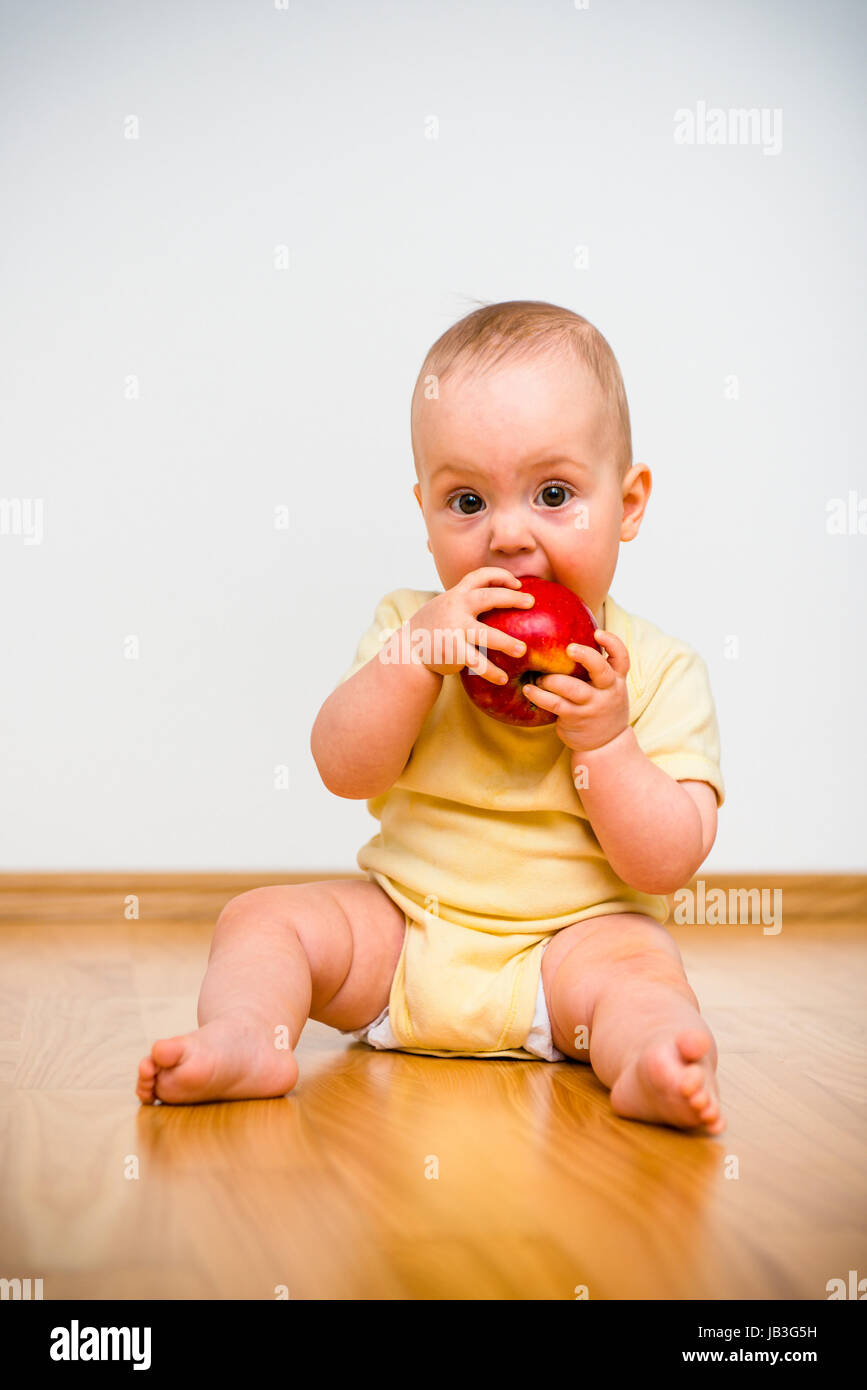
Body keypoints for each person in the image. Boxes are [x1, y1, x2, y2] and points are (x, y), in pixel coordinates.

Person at [137, 300, 725, 1134]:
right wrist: (411, 660)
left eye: (553, 493)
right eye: (466, 501)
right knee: (261, 918)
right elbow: (344, 770)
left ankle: (649, 1061)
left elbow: (667, 861)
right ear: (423, 512)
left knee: (643, 977)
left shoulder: (658, 669)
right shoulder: (411, 631)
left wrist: (606, 739)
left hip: (571, 959)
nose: (507, 534)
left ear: (627, 504)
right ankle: (246, 1034)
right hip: (405, 935)